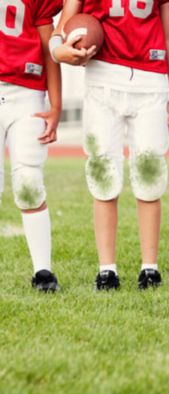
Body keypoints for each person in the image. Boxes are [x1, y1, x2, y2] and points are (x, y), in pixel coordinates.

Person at [51, 0, 169, 290]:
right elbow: (60, 33)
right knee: (103, 173)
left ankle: (150, 268)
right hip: (102, 81)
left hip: (151, 82)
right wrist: (61, 51)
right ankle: (106, 269)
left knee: (149, 175)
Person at [0, 0, 63, 291]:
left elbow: (48, 45)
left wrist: (56, 104)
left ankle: (43, 272)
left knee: (29, 180)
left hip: (27, 93)